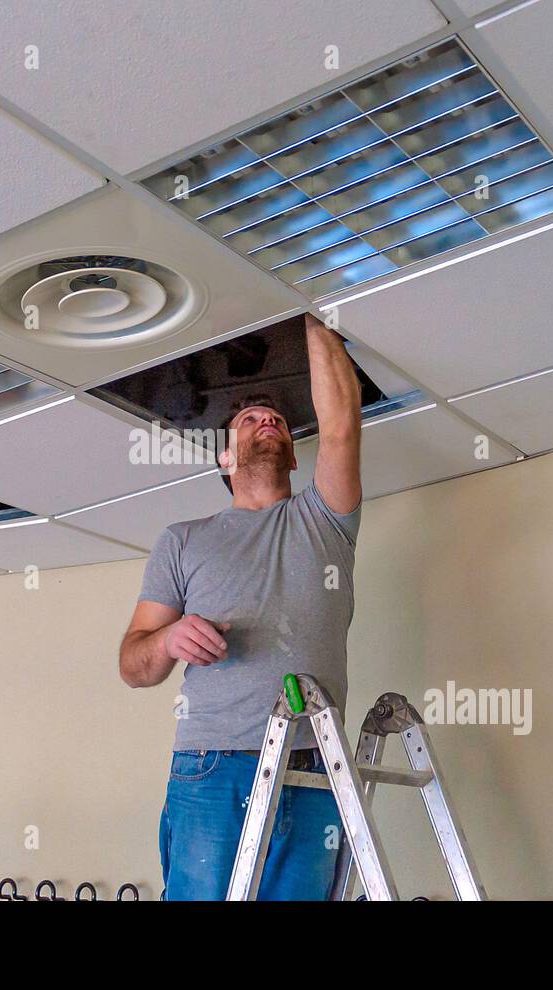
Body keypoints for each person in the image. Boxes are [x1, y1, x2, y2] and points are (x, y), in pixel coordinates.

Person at [119, 312, 364, 900]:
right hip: (210, 765)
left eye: (277, 419)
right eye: (249, 419)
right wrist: (169, 640)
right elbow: (132, 665)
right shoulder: (183, 539)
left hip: (311, 764)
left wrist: (305, 302)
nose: (267, 421)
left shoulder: (324, 519)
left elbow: (341, 429)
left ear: (295, 457)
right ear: (225, 458)